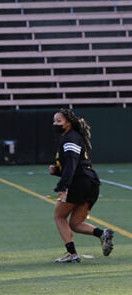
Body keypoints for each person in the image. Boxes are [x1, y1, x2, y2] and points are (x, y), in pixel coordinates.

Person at [49, 108, 114, 263]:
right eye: (54, 121)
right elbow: (76, 163)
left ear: (69, 123)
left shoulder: (70, 138)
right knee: (75, 223)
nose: (55, 124)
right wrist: (58, 171)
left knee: (59, 216)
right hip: (90, 182)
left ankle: (72, 254)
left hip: (79, 182)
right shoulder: (73, 137)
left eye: (59, 121)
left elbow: (72, 163)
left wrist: (63, 185)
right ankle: (101, 234)